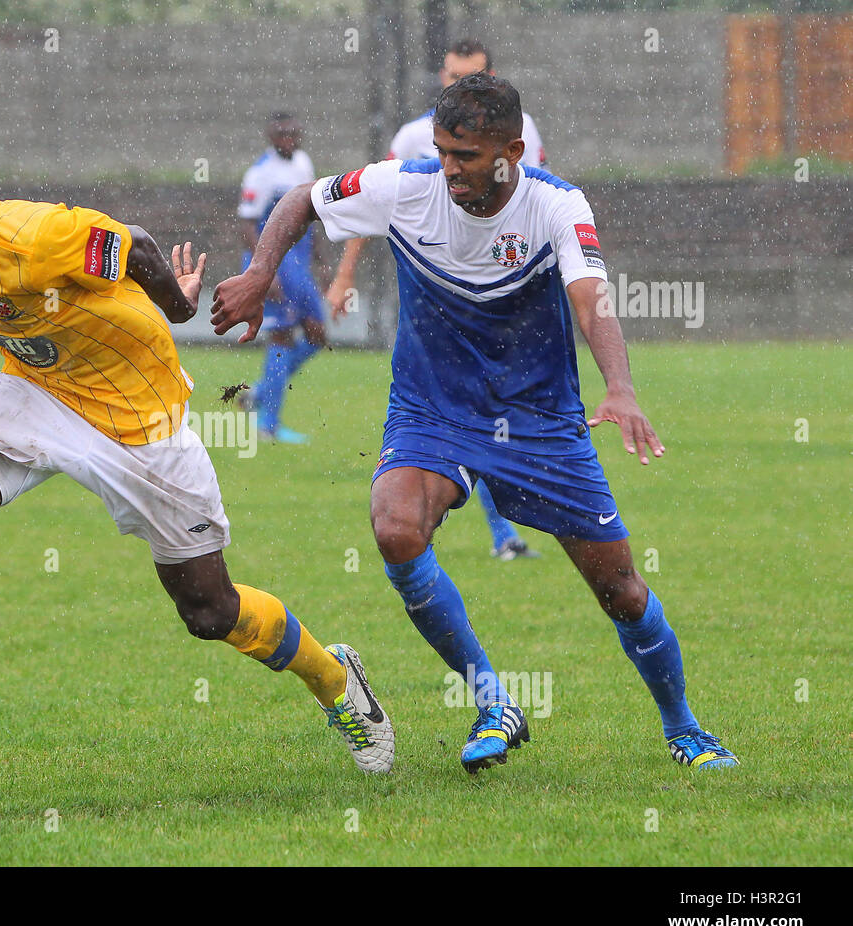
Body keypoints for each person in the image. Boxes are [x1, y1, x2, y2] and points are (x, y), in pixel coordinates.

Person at [0, 133, 394, 775]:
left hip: (136, 414)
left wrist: (178, 304)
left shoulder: (32, 238)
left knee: (210, 611)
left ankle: (336, 680)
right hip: (37, 389)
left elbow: (136, 245)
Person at [211, 75, 738, 775]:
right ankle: (494, 699)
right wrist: (257, 274)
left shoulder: (555, 203)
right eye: (442, 150)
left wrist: (621, 387)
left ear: (511, 151)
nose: (451, 167)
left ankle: (685, 729)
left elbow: (591, 299)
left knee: (621, 590)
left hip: (540, 419)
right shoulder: (406, 186)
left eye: (466, 154)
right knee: (395, 527)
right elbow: (300, 201)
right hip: (433, 408)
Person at [328, 38, 545, 560]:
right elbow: (367, 204)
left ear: (490, 76)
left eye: (468, 76)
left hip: (503, 301)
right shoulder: (411, 138)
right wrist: (346, 274)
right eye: (449, 77)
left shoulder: (523, 132)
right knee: (473, 413)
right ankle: (495, 533)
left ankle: (494, 522)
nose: (457, 86)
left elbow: (536, 203)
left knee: (498, 417)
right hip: (434, 304)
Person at [235, 112, 329, 444]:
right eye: (282, 134)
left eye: (293, 133)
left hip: (299, 265)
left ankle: (260, 392)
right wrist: (265, 269)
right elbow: (247, 224)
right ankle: (268, 425)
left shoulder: (303, 163)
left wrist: (321, 261)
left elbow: (310, 213)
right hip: (275, 265)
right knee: (281, 336)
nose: (288, 139)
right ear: (271, 137)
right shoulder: (261, 174)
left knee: (318, 334)